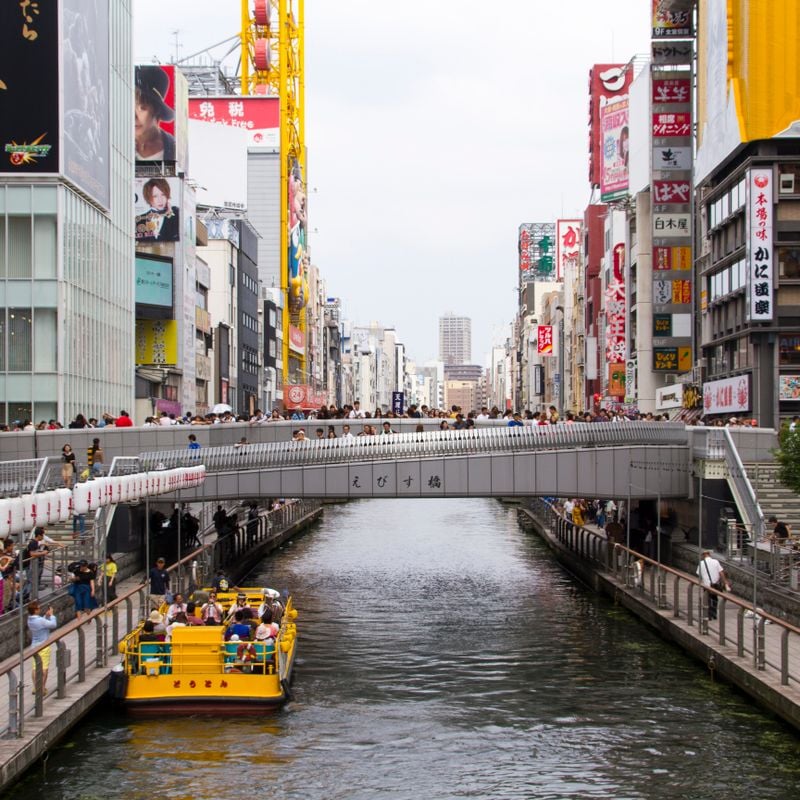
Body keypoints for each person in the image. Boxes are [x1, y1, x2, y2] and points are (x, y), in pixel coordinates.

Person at [135, 65, 176, 160]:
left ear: (156, 111)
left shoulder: (173, 148)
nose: (134, 116)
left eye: (142, 108)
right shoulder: (116, 144)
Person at [27, 601, 57, 695]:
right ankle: (42, 688)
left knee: (35, 667)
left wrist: (45, 616)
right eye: (38, 608)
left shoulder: (30, 620)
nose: (40, 609)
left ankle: (36, 687)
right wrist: (51, 615)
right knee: (44, 668)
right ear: (35, 610)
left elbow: (42, 623)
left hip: (34, 646)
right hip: (43, 645)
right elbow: (53, 625)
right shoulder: (39, 620)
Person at [696, 549, 730, 621]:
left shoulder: (701, 563)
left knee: (707, 599)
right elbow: (721, 573)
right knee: (714, 598)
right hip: (715, 584)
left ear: (703, 555)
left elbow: (699, 574)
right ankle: (714, 614)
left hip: (706, 585)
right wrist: (725, 583)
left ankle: (708, 615)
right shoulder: (716, 562)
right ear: (709, 554)